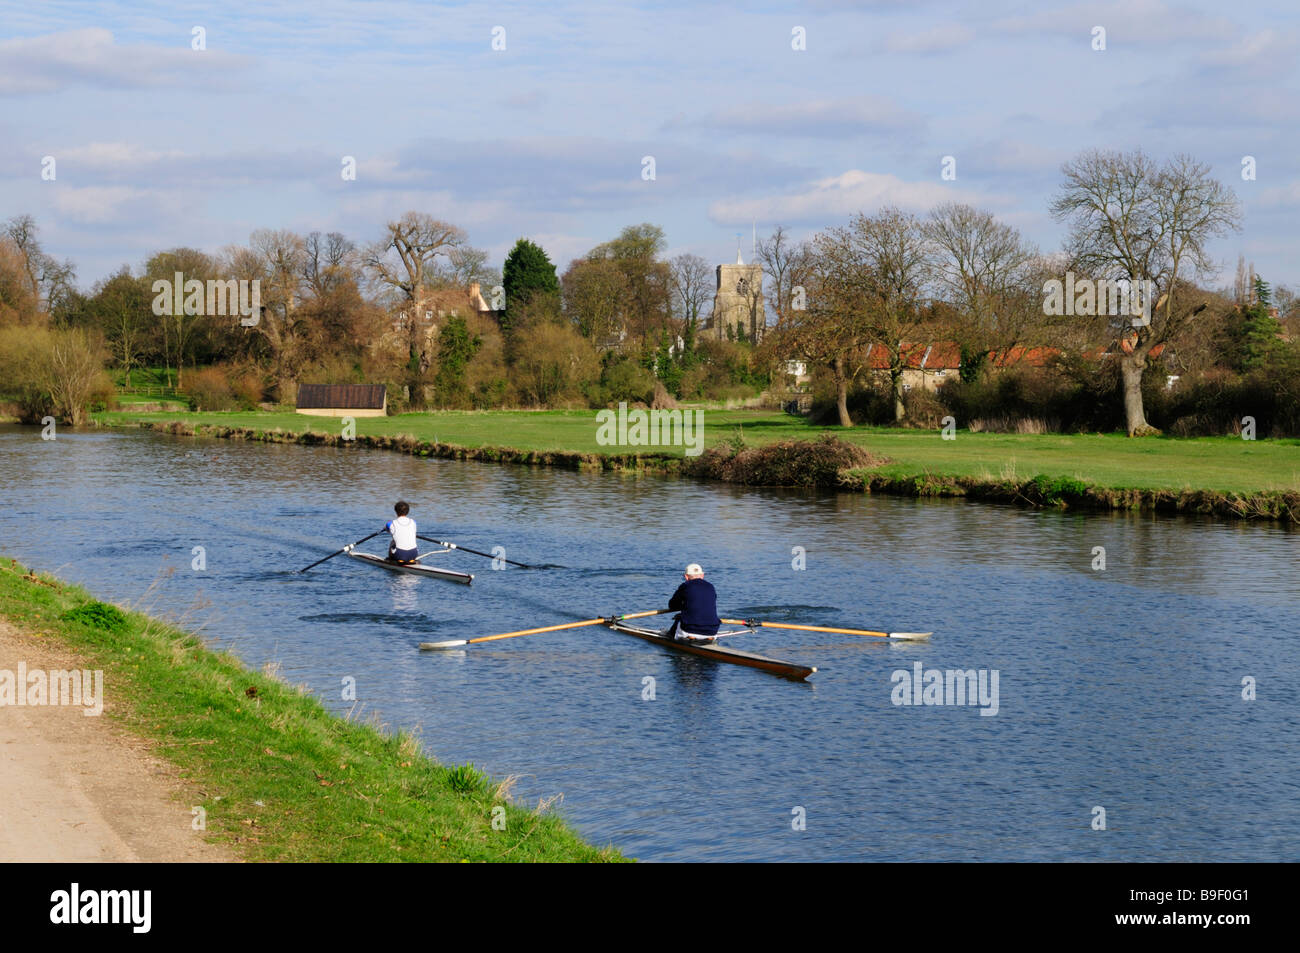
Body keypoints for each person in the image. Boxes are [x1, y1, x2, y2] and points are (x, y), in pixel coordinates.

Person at [666, 563, 721, 641]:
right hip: (713, 630)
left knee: (679, 618)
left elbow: (672, 605)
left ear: (686, 577)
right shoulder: (711, 586)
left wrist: (683, 609)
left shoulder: (685, 586)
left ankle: (670, 636)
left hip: (689, 630)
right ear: (702, 575)